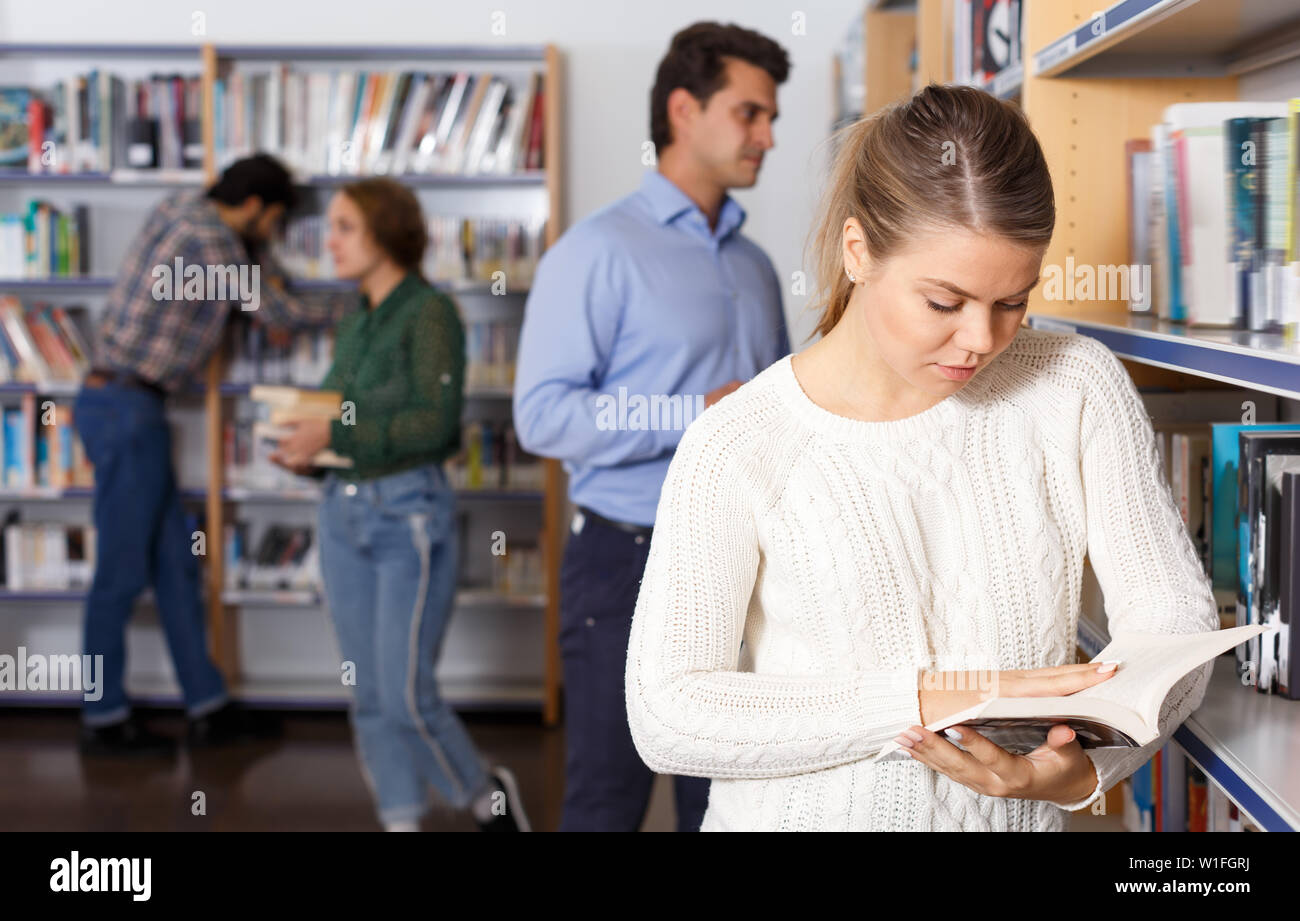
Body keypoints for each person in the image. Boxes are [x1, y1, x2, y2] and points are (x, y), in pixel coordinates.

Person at [624, 84, 1220, 832]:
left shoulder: (1075, 386)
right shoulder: (738, 441)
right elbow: (667, 712)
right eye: (945, 302)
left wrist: (1085, 770)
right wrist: (936, 697)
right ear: (858, 251)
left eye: (1012, 300)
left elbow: (1175, 623)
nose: (980, 337)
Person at [513, 21, 791, 832]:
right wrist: (695, 413)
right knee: (608, 800)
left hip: (745, 566)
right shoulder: (595, 251)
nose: (767, 136)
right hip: (625, 560)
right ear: (682, 110)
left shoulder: (755, 263)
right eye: (749, 114)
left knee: (729, 800)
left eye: (771, 116)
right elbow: (541, 414)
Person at [270, 178, 529, 832]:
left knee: (407, 693)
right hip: (342, 512)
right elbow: (331, 411)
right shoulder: (355, 317)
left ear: (387, 231)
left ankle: (484, 795)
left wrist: (334, 433)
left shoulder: (431, 313)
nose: (328, 241)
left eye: (344, 226)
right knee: (368, 694)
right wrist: (305, 447)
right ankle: (401, 821)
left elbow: (434, 426)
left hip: (406, 514)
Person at [76, 154, 352, 757]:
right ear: (254, 206)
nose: (273, 234)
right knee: (121, 574)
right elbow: (275, 313)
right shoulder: (209, 237)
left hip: (131, 409)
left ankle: (207, 705)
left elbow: (259, 283)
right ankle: (102, 718)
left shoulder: (182, 210)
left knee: (176, 564)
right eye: (275, 220)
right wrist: (360, 303)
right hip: (125, 410)